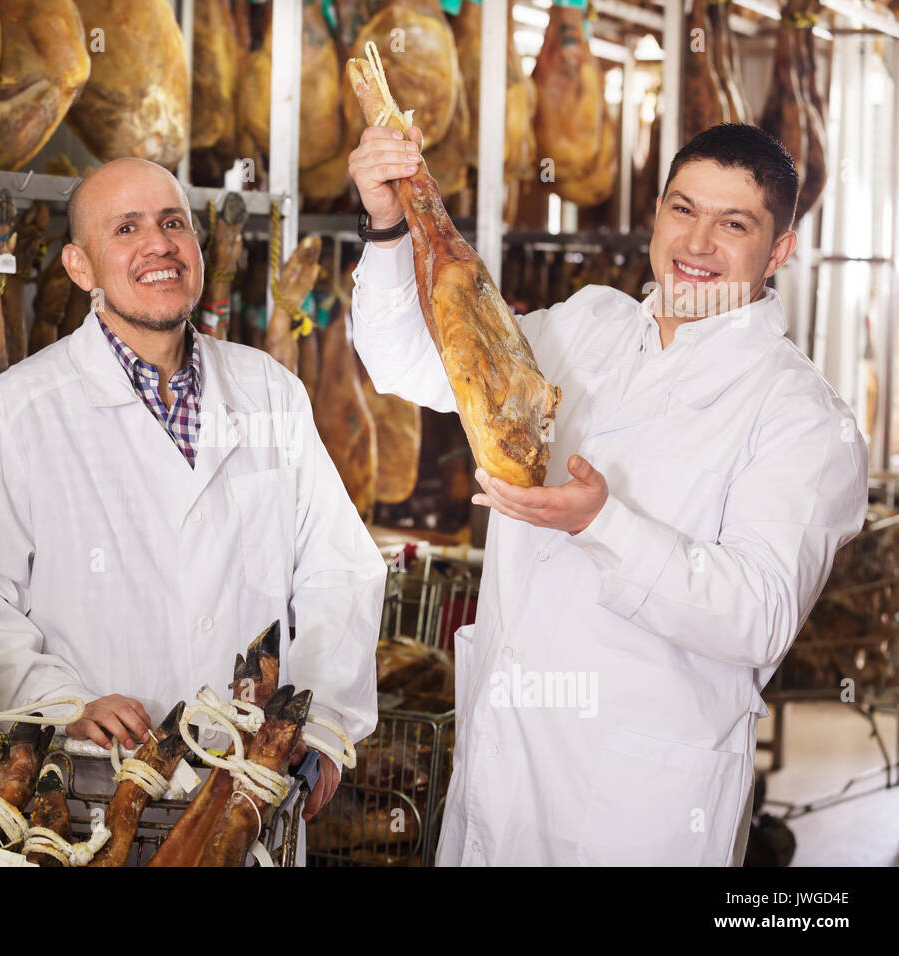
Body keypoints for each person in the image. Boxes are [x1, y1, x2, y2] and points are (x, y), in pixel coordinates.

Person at [347, 122, 868, 865]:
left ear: (778, 251)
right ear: (656, 214)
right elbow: (408, 366)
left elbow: (760, 615)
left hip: (637, 808)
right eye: (683, 210)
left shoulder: (801, 415)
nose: (697, 244)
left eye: (734, 224)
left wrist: (600, 524)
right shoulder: (586, 326)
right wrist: (389, 226)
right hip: (502, 770)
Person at [0, 157, 386, 822]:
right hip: (90, 797)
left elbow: (341, 569)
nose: (158, 244)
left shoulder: (269, 390)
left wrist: (324, 723)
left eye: (172, 224)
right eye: (125, 229)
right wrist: (60, 702)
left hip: (250, 789)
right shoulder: (17, 410)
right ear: (80, 268)